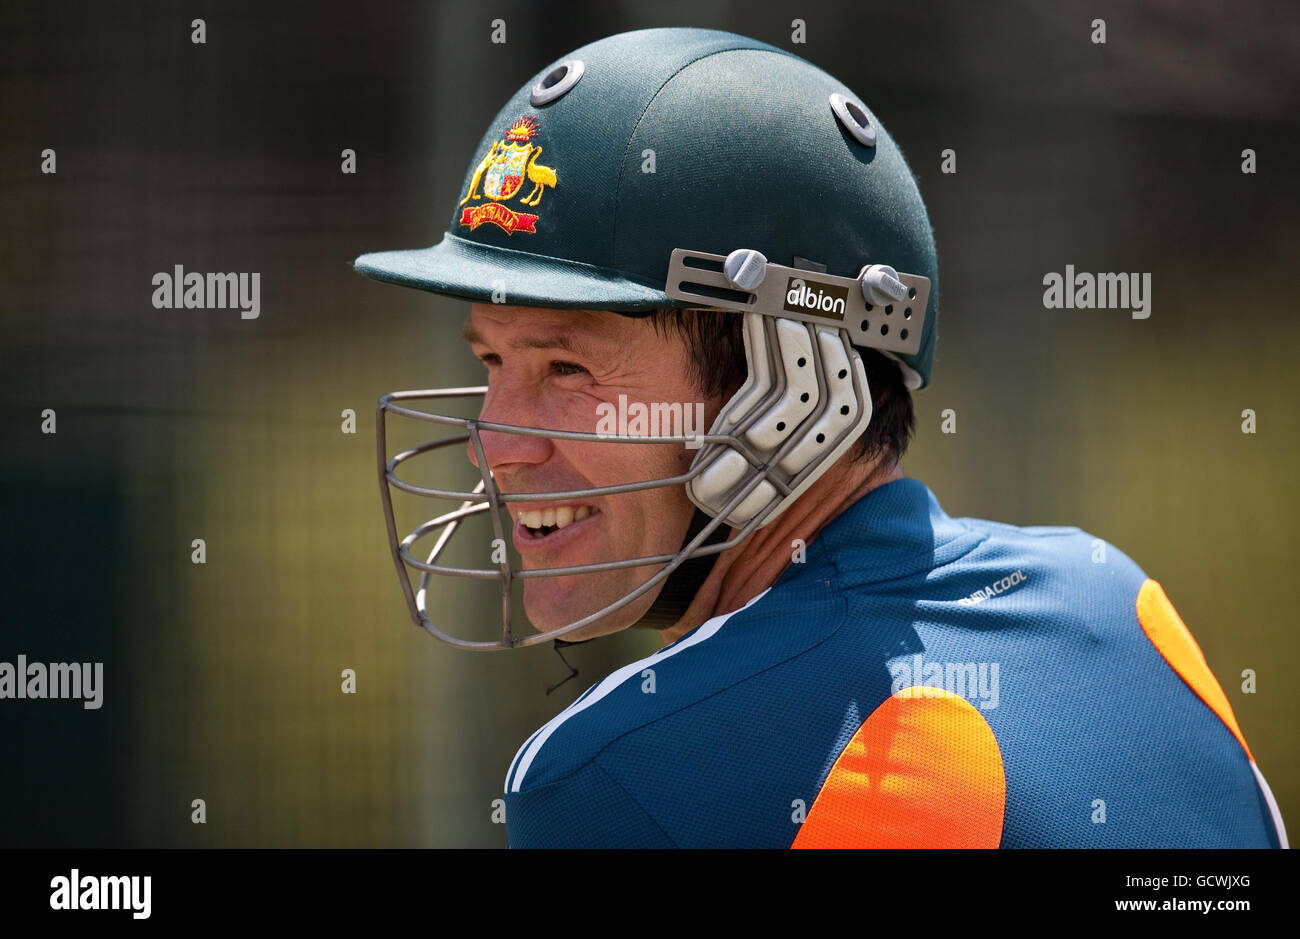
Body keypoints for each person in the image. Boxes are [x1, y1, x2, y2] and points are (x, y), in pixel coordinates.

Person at [354, 27, 1287, 848]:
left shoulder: (619, 774)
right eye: (491, 360)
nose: (494, 445)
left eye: (566, 369)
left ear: (792, 381)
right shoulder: (1121, 607)